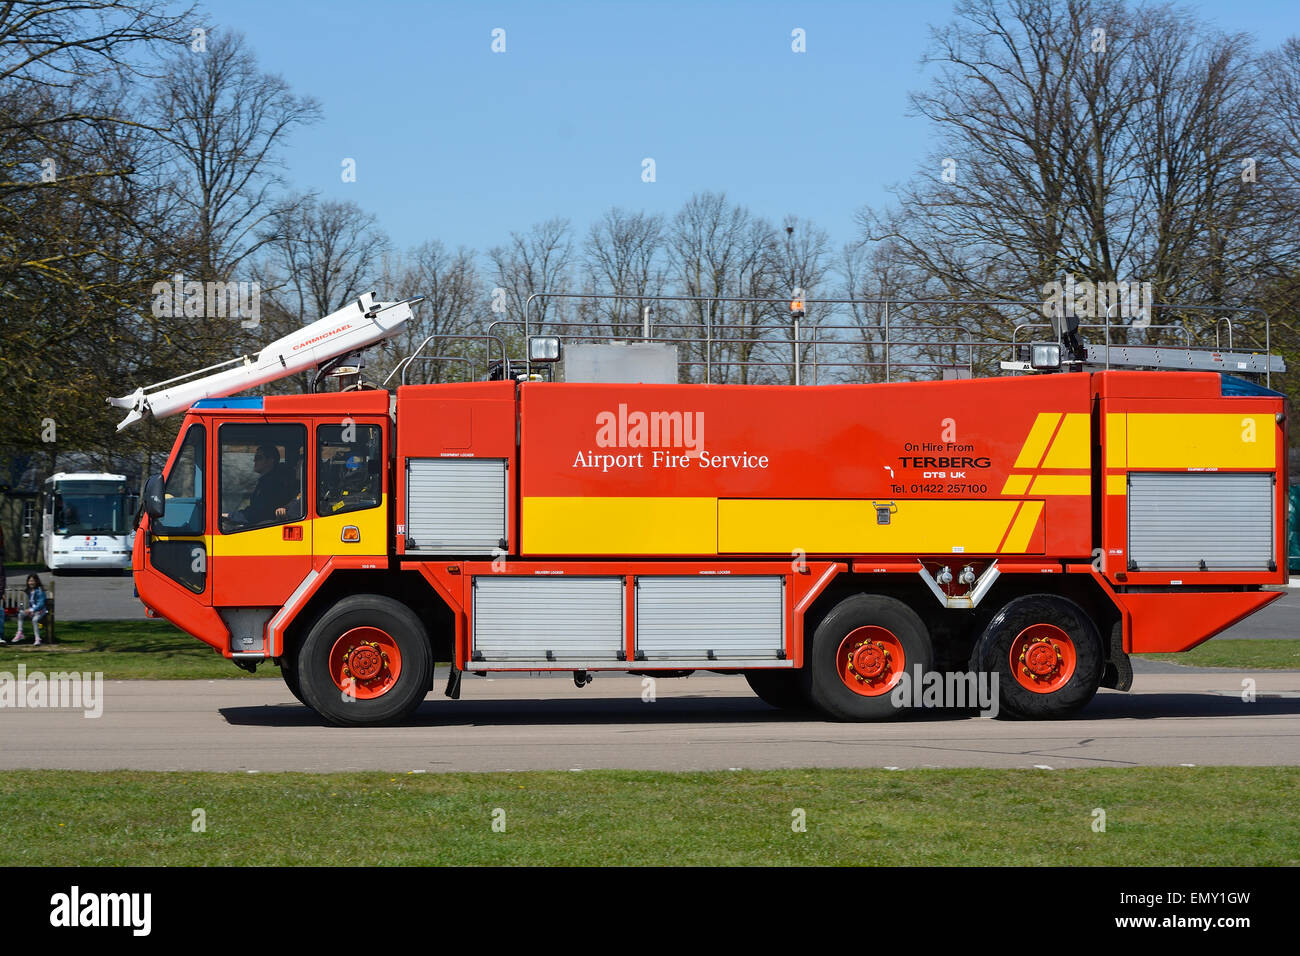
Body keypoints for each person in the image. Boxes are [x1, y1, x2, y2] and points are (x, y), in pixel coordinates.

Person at [223, 444, 298, 528]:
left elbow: (259, 513)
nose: (254, 461)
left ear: (270, 460)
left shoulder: (274, 485)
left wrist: (231, 516)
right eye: (255, 458)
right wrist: (232, 517)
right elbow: (255, 510)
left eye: (258, 458)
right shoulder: (265, 482)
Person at [12, 573, 48, 646]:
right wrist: (28, 609)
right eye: (29, 581)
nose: (31, 583)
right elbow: (29, 603)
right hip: (32, 610)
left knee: (34, 620)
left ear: (36, 582)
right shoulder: (29, 591)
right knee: (20, 614)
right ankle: (20, 633)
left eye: (32, 581)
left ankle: (37, 638)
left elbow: (41, 604)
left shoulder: (40, 591)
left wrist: (32, 610)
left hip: (41, 610)